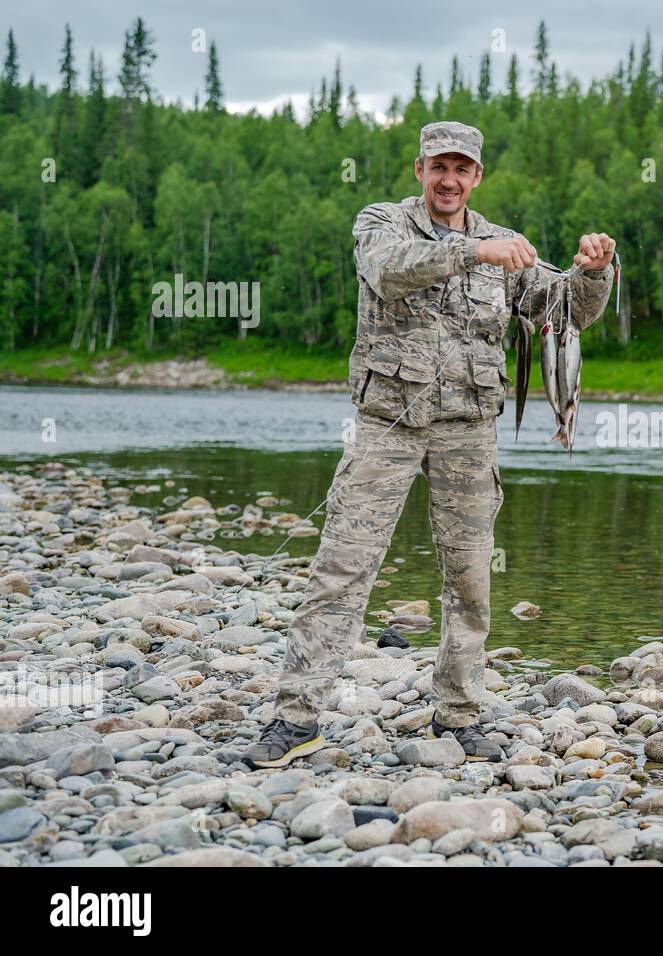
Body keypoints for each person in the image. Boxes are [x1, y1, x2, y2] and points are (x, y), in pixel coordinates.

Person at [244, 120, 615, 767]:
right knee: (342, 568)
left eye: (461, 169)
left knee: (469, 579)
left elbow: (564, 312)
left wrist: (595, 271)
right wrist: (472, 254)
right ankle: (296, 716)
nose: (449, 179)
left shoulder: (504, 243)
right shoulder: (382, 224)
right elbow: (386, 273)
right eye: (438, 166)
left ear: (476, 177)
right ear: (419, 170)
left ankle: (458, 713)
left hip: (469, 428)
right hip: (387, 421)